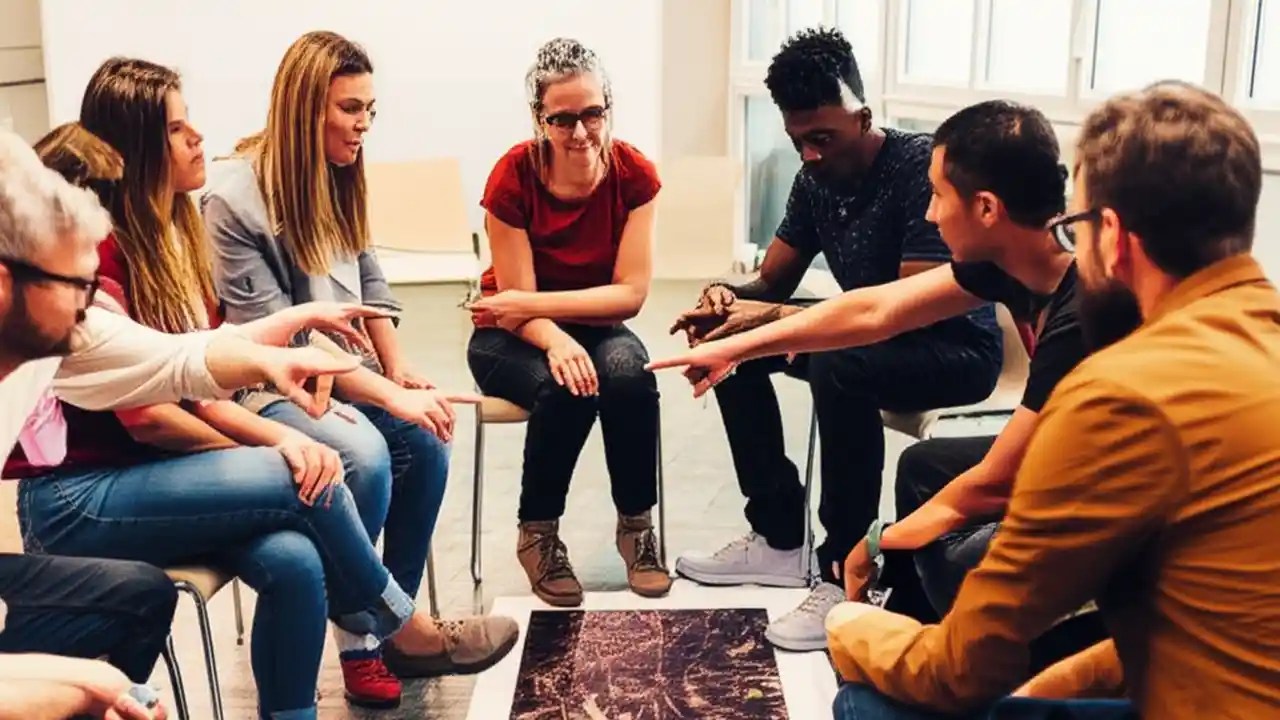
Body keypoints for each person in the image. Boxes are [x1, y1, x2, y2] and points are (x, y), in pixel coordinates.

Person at [818, 82, 1280, 718]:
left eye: (1078, 225)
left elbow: (956, 673)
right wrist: (1044, 692)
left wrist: (847, 626)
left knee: (865, 701)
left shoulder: (1119, 390)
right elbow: (1194, 632)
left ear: (1112, 237)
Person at [652, 99, 1103, 640]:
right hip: (1068, 454)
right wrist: (740, 346)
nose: (931, 214)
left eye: (938, 196)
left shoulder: (1084, 312)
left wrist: (872, 548)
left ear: (986, 209)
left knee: (951, 552)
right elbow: (876, 308)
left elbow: (996, 482)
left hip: (1105, 490)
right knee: (922, 467)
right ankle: (904, 631)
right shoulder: (1013, 259)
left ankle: (952, 653)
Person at [0, 129, 372, 720]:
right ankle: (387, 625)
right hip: (74, 500)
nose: (89, 301)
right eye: (78, 285)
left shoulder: (61, 322)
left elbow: (173, 358)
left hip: (127, 489)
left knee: (157, 593)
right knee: (308, 473)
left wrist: (274, 354)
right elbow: (154, 407)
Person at [201, 31, 518, 696]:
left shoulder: (343, 172)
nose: (364, 125)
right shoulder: (232, 200)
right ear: (304, 106)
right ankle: (367, 636)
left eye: (371, 109)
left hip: (342, 371)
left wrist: (396, 371)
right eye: (351, 109)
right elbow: (276, 346)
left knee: (425, 440)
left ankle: (383, 631)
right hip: (267, 383)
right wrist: (383, 393)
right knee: (365, 452)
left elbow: (372, 282)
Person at [667, 28, 1002, 651]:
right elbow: (773, 280)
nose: (810, 155)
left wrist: (765, 323)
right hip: (859, 334)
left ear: (864, 117)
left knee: (836, 363)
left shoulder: (914, 167)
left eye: (823, 138)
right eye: (798, 142)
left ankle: (839, 572)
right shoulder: (813, 180)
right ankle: (777, 536)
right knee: (731, 346)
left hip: (954, 351)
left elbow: (905, 309)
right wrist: (726, 301)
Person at [463, 37, 669, 607]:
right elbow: (512, 306)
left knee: (630, 375)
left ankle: (636, 529)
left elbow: (630, 296)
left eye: (593, 113)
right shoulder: (512, 175)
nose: (580, 132)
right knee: (569, 386)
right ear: (539, 119)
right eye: (563, 119)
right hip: (507, 335)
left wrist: (542, 309)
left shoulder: (633, 175)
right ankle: (538, 535)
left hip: (582, 320)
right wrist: (553, 337)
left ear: (609, 107)